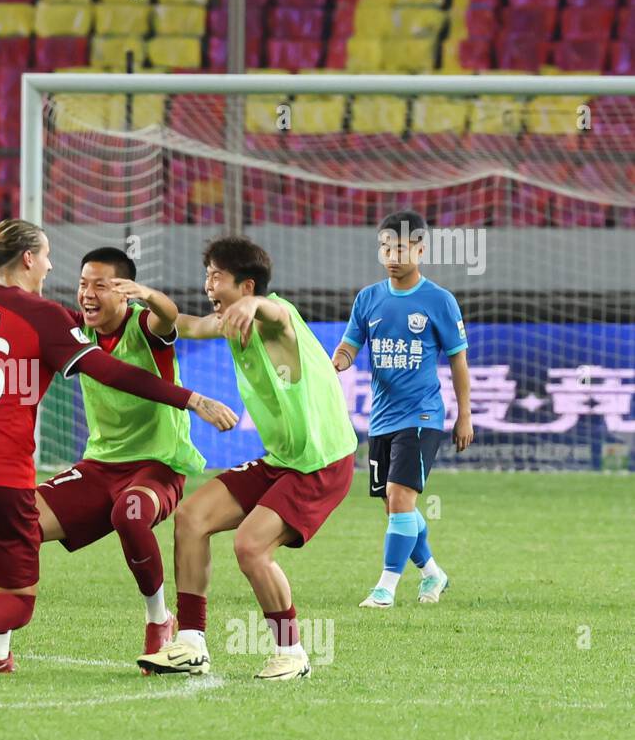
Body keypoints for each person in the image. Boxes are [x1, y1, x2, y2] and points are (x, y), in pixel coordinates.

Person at [0, 219, 237, 683]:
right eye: (81, 282)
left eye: (100, 285)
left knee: (127, 515)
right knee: (15, 533)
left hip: (156, 464)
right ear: (30, 259)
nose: (85, 292)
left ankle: (157, 619)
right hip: (94, 465)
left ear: (124, 291)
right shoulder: (68, 327)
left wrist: (152, 304)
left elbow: (164, 319)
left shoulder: (142, 325)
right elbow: (17, 314)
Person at [138, 236, 358, 680]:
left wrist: (257, 306)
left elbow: (276, 315)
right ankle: (191, 643)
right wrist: (143, 300)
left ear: (247, 285)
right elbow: (182, 323)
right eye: (206, 276)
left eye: (217, 277)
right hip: (282, 458)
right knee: (191, 518)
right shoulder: (226, 322)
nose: (208, 286)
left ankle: (292, 652)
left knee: (251, 547)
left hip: (321, 462)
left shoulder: (278, 319)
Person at [331, 209, 473, 608]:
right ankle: (432, 574)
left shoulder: (439, 301)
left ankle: (385, 588)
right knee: (394, 505)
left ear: (420, 249)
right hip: (382, 418)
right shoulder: (368, 299)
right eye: (384, 247)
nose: (391, 255)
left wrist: (465, 414)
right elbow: (349, 345)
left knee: (399, 496)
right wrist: (338, 363)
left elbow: (458, 360)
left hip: (423, 415)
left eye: (400, 247)